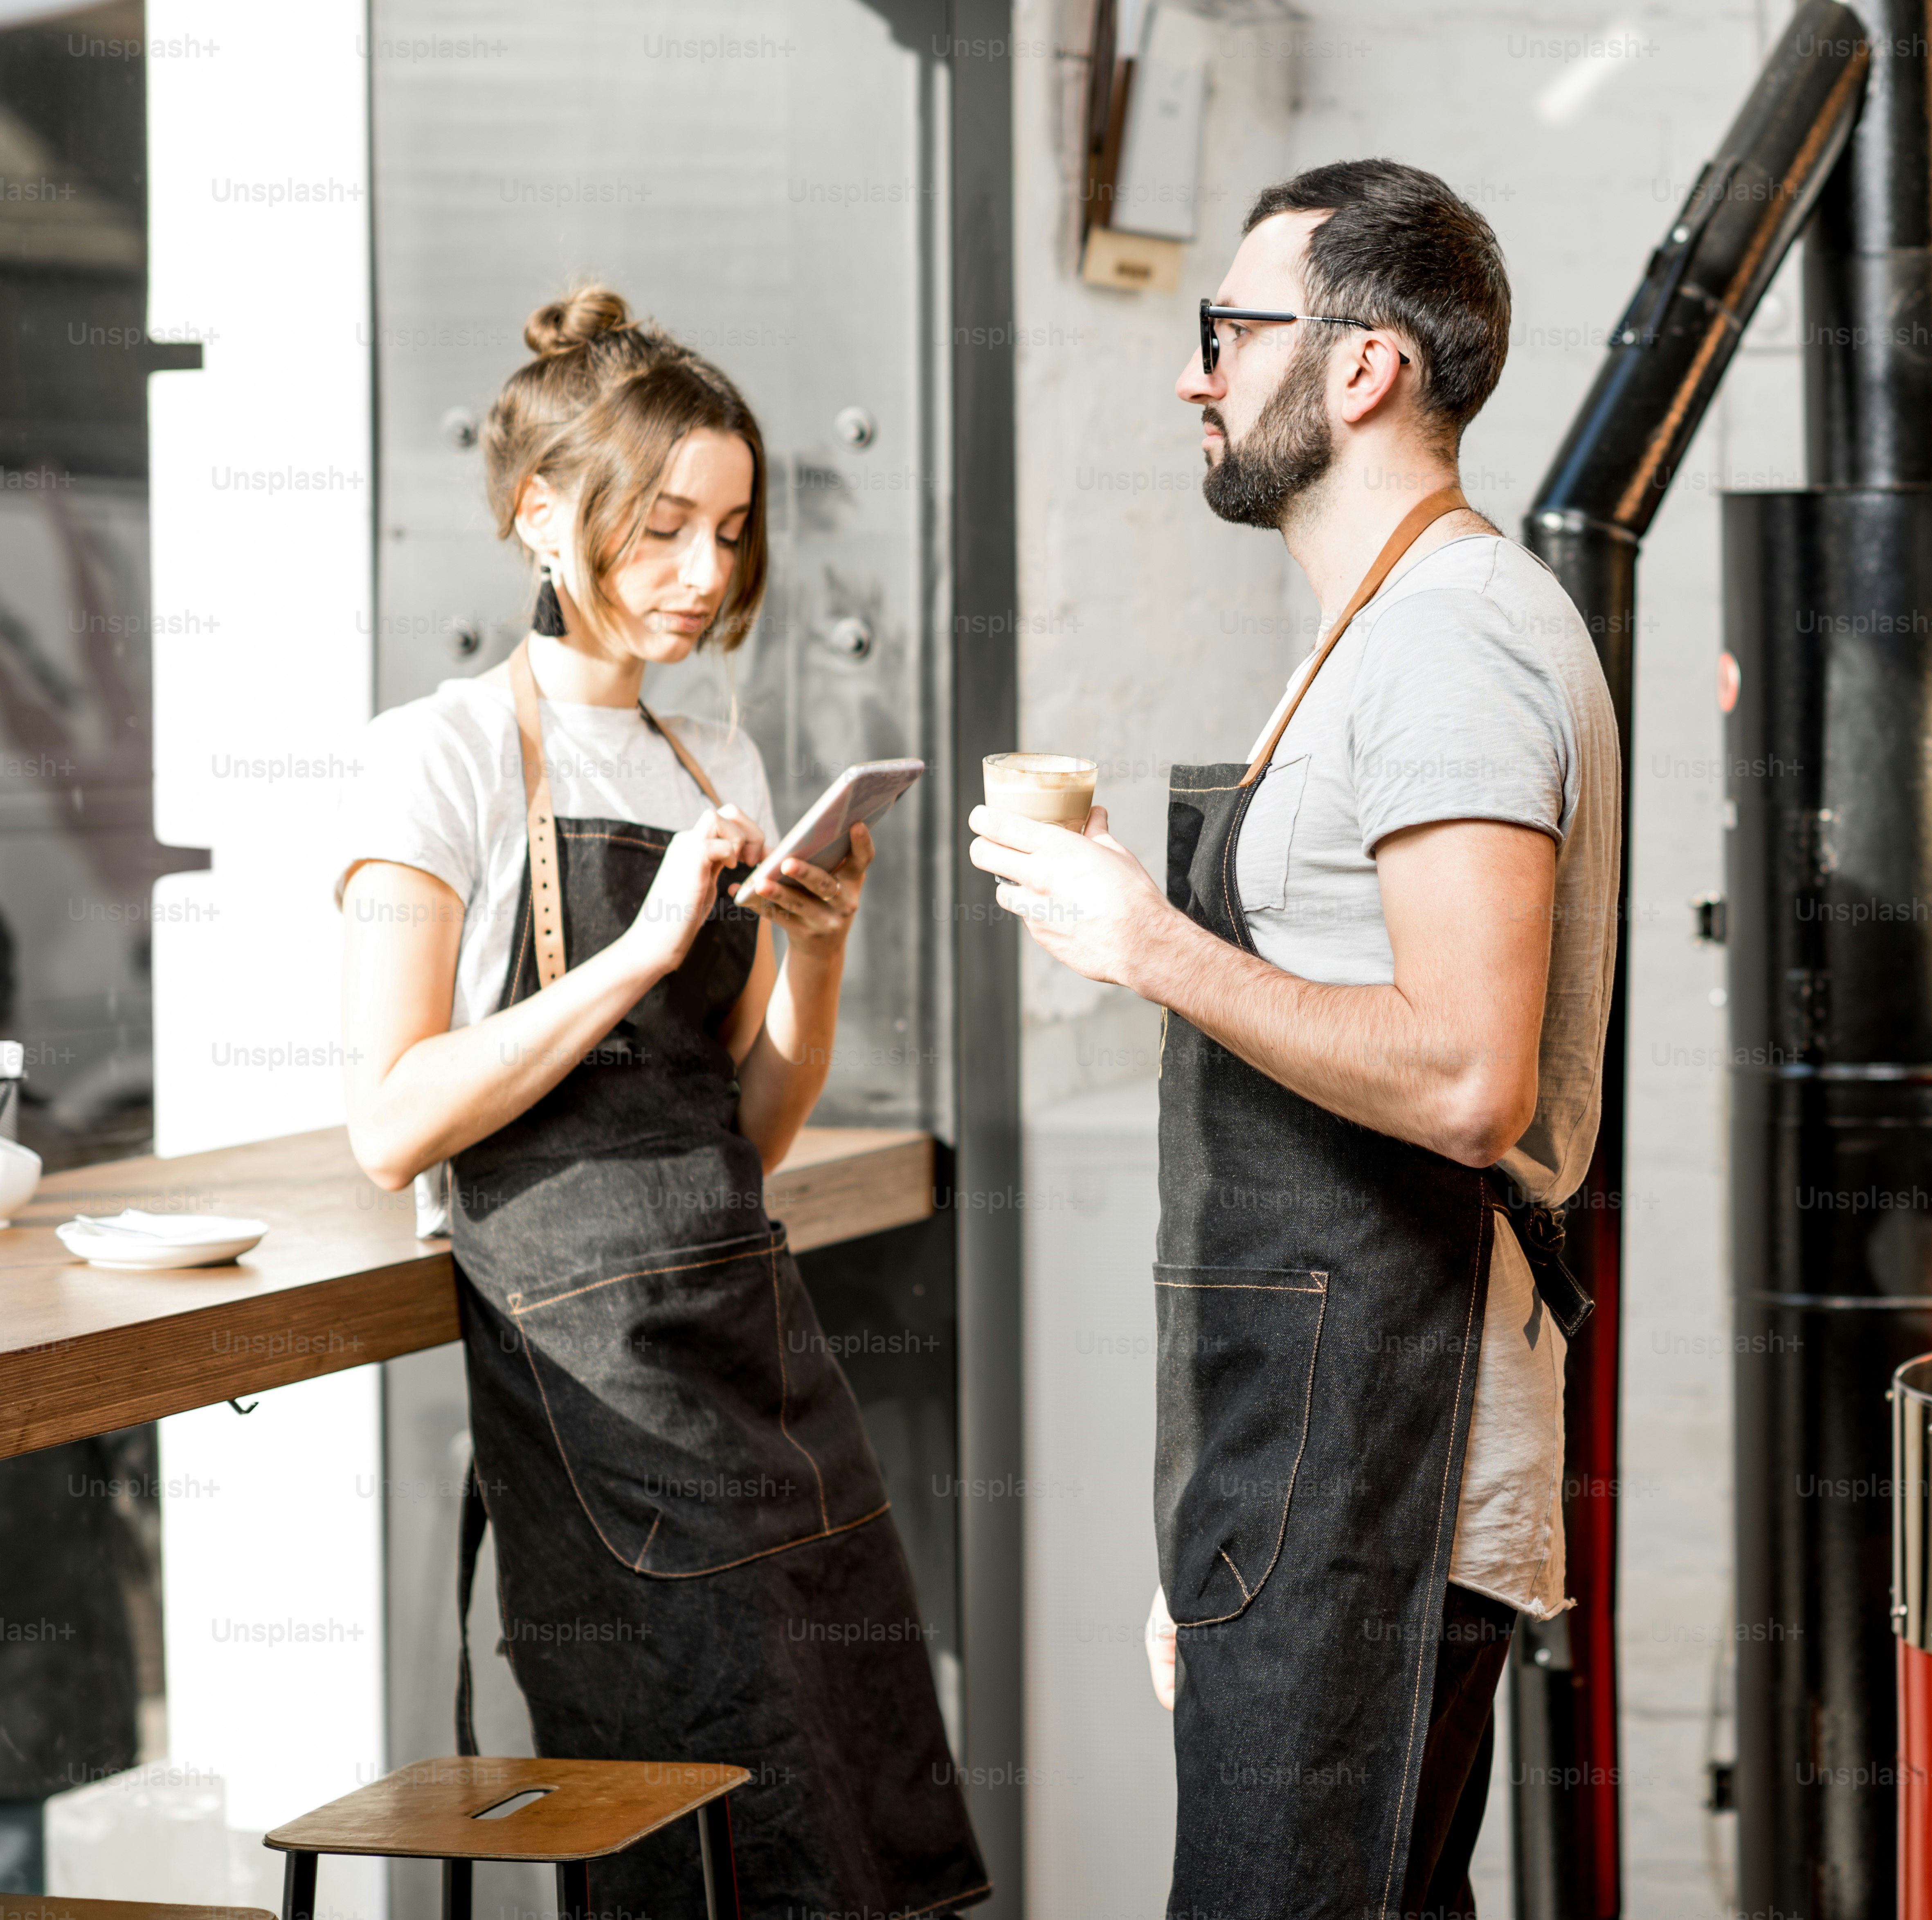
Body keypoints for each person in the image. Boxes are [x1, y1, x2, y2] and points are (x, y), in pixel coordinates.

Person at [969, 160, 1619, 1919]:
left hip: (1383, 1456)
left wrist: (1153, 944)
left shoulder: (1449, 647)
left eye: (1230, 333)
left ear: (1359, 371)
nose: (1198, 375)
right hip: (1309, 1452)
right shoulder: (1382, 633)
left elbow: (1471, 1078)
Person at [338, 288, 987, 1920]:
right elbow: (392, 1118)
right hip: (600, 1399)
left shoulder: (722, 762)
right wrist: (635, 953)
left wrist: (819, 957)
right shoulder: (441, 759)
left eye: (734, 530)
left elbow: (742, 1134)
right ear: (540, 512)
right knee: (688, 1840)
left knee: (847, 1806)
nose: (706, 573)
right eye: (665, 525)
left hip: (756, 1351)